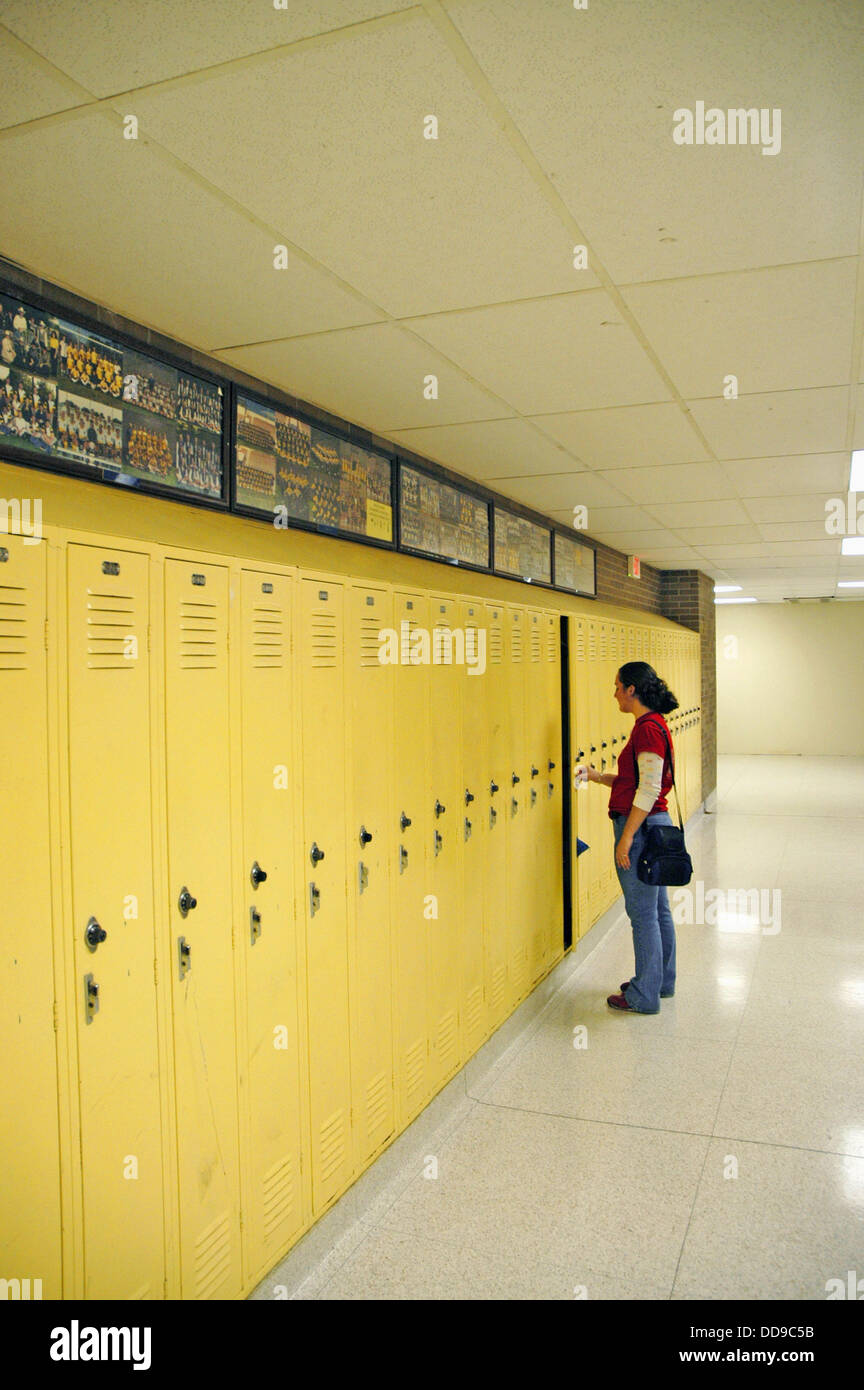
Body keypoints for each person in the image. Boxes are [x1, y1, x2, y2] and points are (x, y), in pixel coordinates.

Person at [581, 661, 679, 1014]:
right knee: (657, 910)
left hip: (642, 828)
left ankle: (643, 995)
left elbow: (649, 788)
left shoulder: (648, 730)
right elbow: (634, 781)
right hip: (653, 825)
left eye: (618, 686)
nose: (615, 694)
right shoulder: (651, 725)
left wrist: (626, 839)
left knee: (643, 914)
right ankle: (660, 981)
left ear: (632, 690)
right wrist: (596, 776)